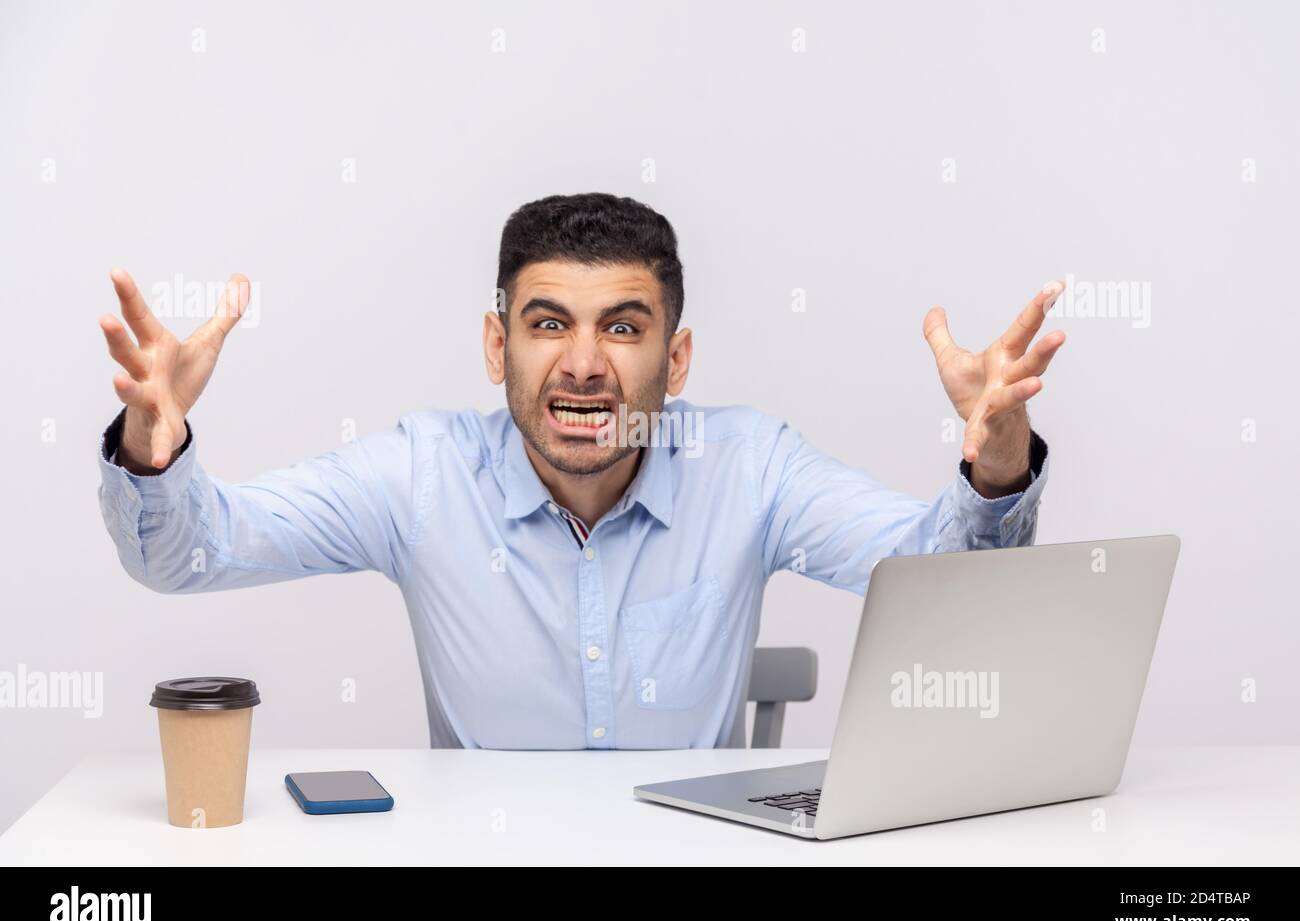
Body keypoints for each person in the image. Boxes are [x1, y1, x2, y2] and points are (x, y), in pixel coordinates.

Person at [96, 193, 1063, 749]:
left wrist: (998, 454)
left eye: (625, 327)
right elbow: (189, 554)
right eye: (549, 323)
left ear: (675, 362)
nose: (586, 363)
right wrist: (156, 441)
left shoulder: (750, 469)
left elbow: (944, 581)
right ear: (497, 346)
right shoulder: (421, 475)